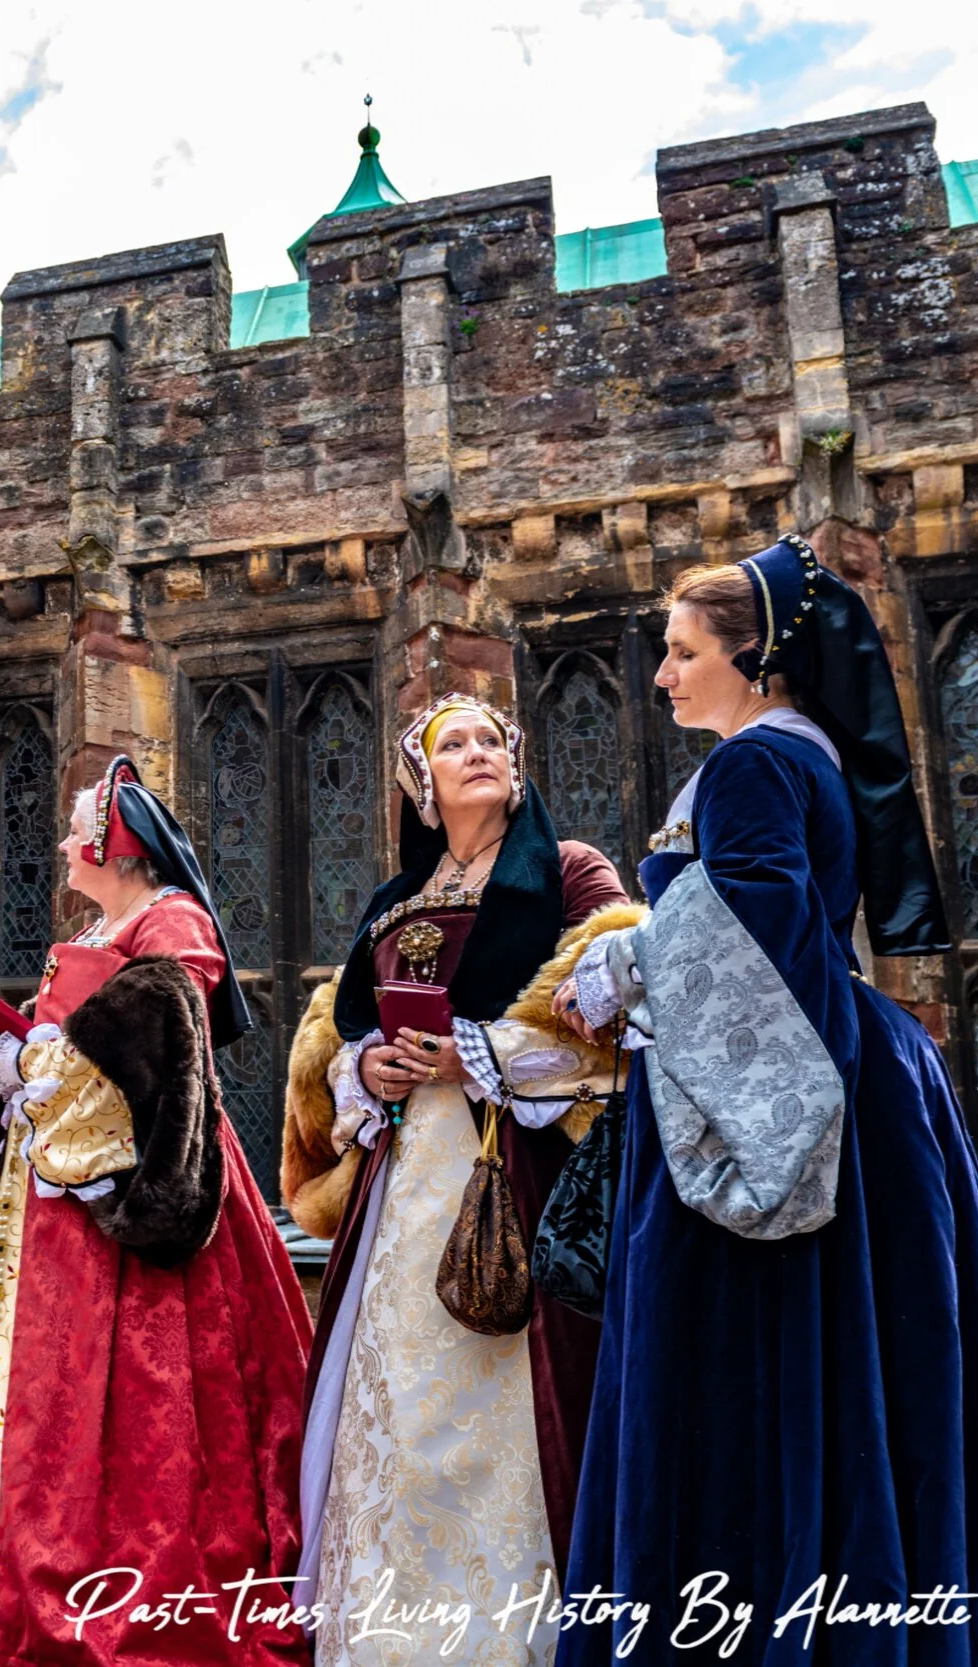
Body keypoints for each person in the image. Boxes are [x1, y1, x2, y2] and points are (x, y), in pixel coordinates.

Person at [549, 536, 978, 1664]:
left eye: (682, 652)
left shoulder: (752, 764)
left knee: (771, 1374)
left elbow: (768, 936)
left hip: (805, 1084)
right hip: (859, 1070)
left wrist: (622, 965)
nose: (665, 675)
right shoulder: (794, 753)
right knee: (869, 1372)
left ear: (755, 653)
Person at [0, 755, 313, 1667]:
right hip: (55, 1188)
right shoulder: (104, 923)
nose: (67, 848)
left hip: (138, 1174)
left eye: (80, 833)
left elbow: (163, 1047)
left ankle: (126, 1572)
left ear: (110, 844)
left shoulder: (172, 919)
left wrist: (37, 1061)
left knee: (159, 1386)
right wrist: (10, 1059)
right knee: (55, 1378)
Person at [281, 697, 629, 1665]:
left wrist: (470, 1052)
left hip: (517, 1173)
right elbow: (339, 1033)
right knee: (400, 1396)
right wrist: (367, 1069)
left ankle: (506, 1634)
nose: (479, 753)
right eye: (454, 744)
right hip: (402, 1190)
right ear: (421, 788)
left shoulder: (570, 874)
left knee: (504, 1407)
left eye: (493, 740)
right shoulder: (394, 898)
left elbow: (613, 1021)